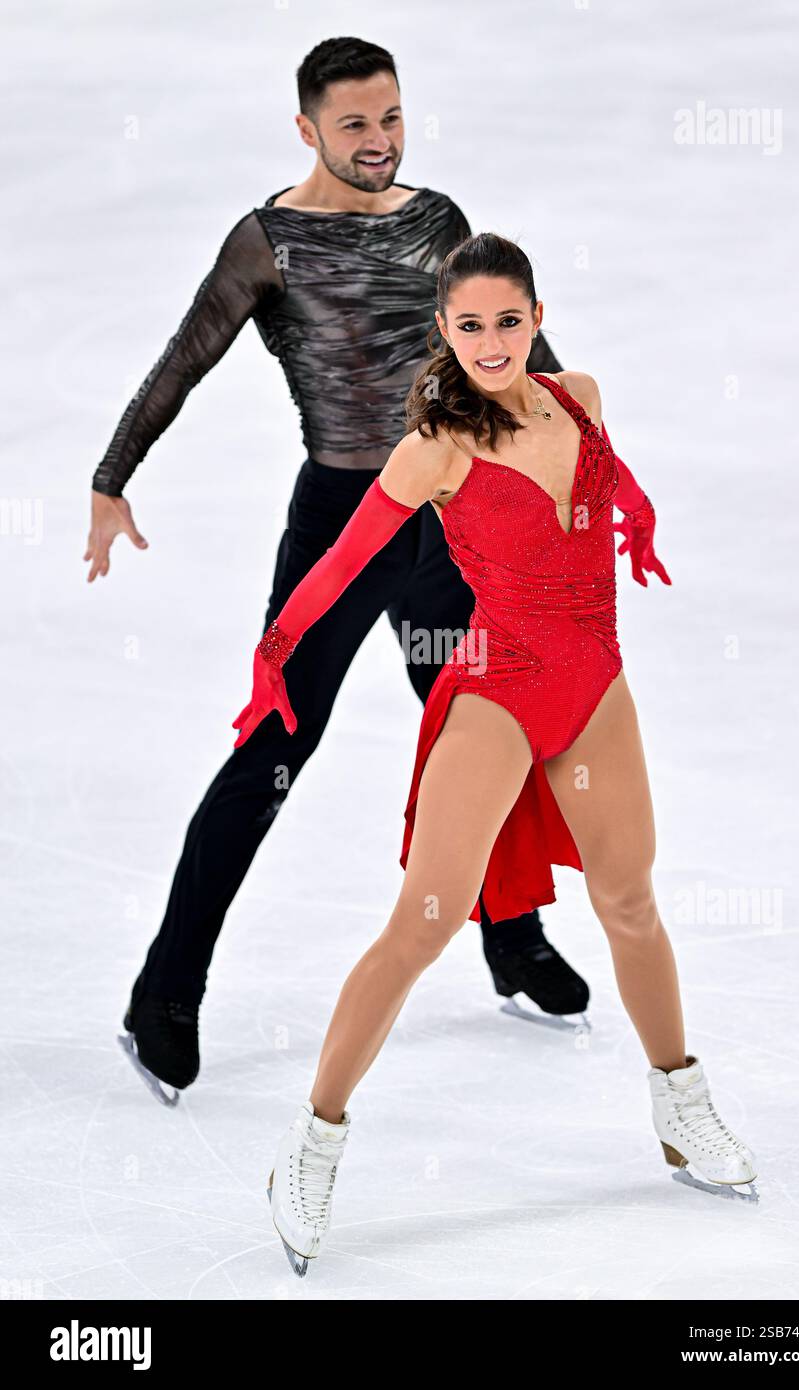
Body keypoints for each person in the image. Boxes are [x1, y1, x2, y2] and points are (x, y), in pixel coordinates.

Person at [87, 37, 602, 1104]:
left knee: (487, 731)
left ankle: (511, 934)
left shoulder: (436, 220)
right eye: (355, 123)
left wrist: (587, 466)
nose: (378, 142)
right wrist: (110, 476)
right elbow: (184, 358)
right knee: (275, 743)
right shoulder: (267, 240)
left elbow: (511, 356)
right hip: (342, 525)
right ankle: (164, 992)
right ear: (307, 128)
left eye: (392, 118)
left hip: (448, 523)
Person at [233, 231, 755, 1277]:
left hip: (592, 686)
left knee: (629, 901)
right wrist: (275, 654)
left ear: (533, 317)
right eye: (467, 325)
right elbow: (341, 564)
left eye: (506, 321)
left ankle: (679, 1107)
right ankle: (312, 1142)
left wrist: (636, 518)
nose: (488, 341)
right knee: (422, 924)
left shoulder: (579, 398)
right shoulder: (435, 448)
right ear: (443, 330)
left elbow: (609, 478)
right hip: (497, 691)